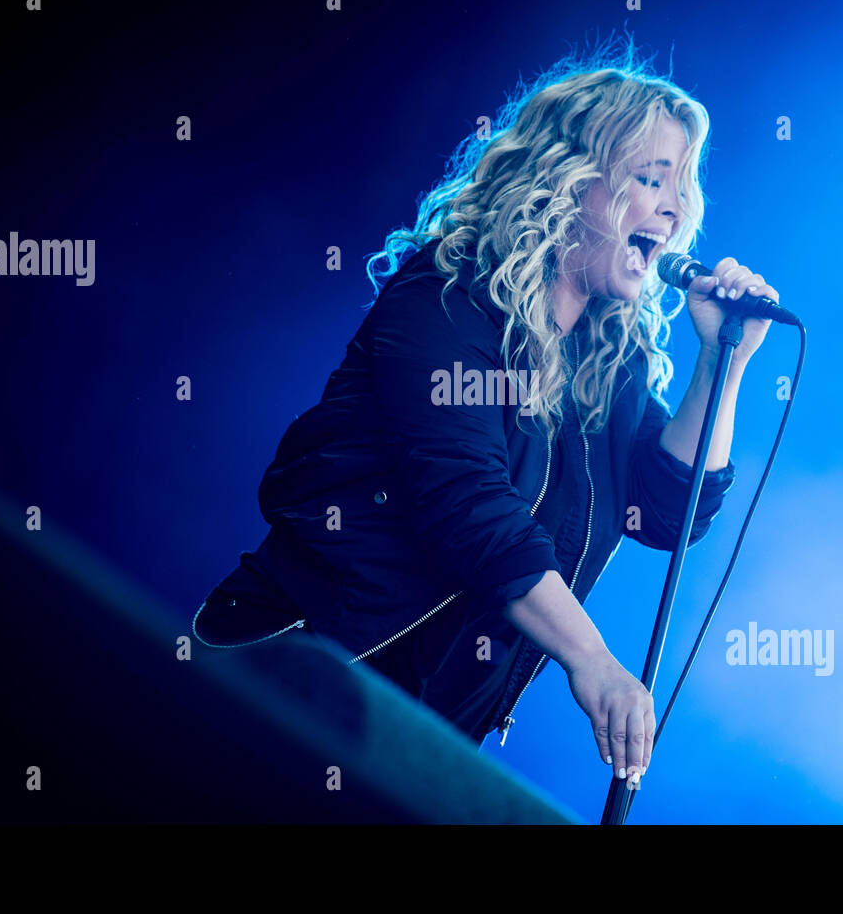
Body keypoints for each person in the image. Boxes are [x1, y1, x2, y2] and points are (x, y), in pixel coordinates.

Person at [192, 54, 780, 793]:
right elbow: (469, 511)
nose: (673, 208)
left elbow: (668, 509)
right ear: (571, 180)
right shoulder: (447, 298)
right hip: (296, 677)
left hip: (419, 733)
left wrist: (721, 366)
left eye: (681, 188)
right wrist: (592, 661)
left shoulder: (608, 359)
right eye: (650, 178)